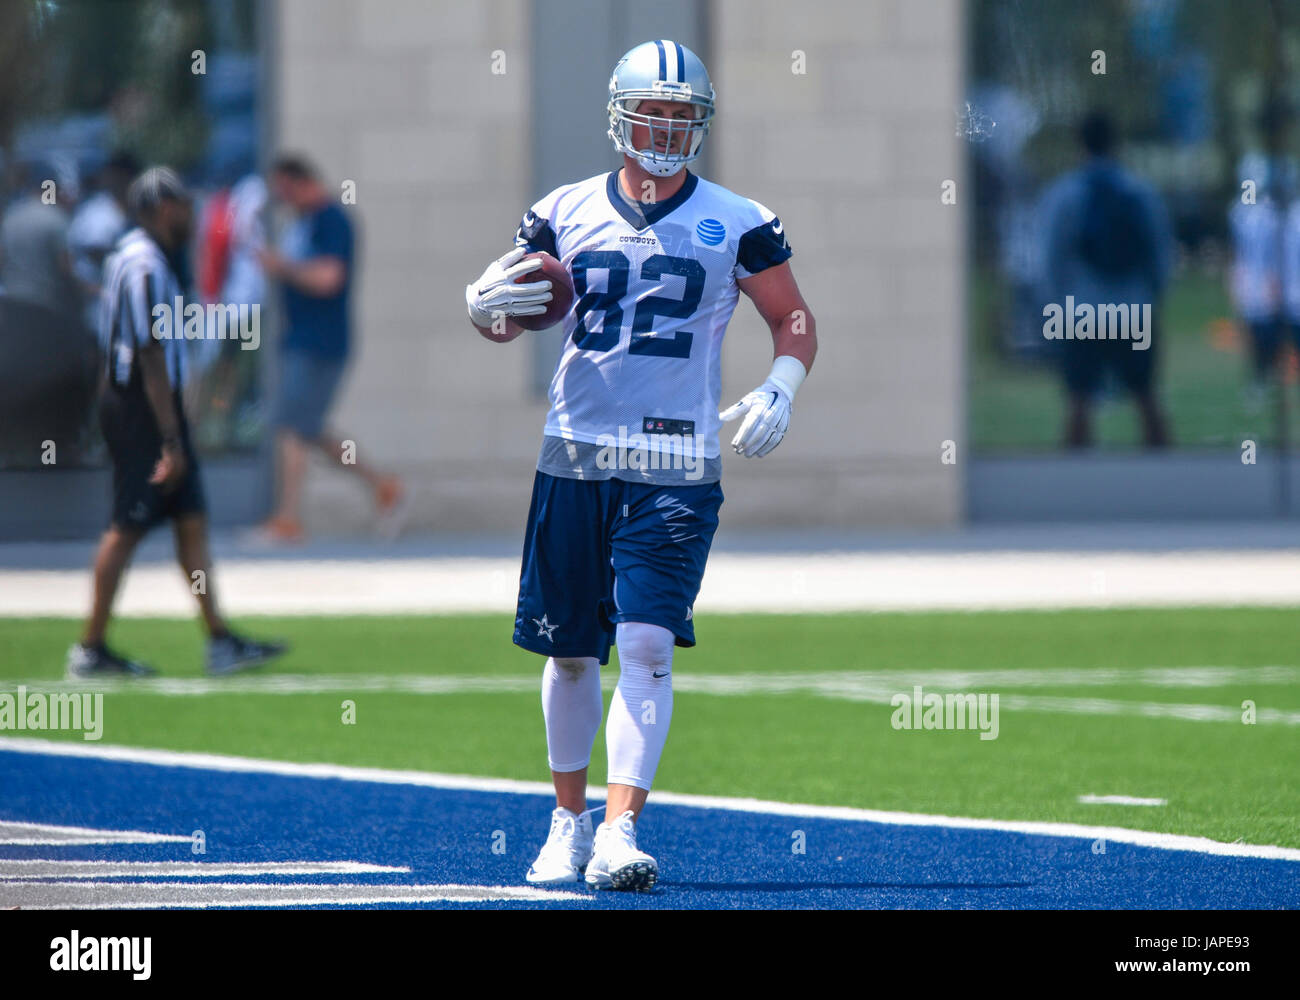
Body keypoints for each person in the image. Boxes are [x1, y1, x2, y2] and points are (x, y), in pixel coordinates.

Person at [465, 40, 817, 890]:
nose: (665, 128)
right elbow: (509, 317)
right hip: (575, 455)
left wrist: (781, 383)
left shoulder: (739, 219)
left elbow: (794, 319)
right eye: (652, 112)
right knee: (572, 654)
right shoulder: (562, 209)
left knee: (649, 644)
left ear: (700, 122)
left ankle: (621, 830)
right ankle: (566, 823)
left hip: (675, 460)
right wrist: (481, 307)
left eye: (679, 114)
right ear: (621, 116)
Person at [65, 167, 287, 678]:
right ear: (164, 207)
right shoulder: (144, 262)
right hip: (144, 412)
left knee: (191, 523)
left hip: (140, 407)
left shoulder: (137, 257)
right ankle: (90, 647)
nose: (191, 213)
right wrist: (169, 437)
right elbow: (147, 352)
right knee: (127, 524)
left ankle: (220, 639)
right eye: (183, 204)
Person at [254, 155, 404, 544]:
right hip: (300, 338)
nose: (280, 199)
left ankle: (288, 521)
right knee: (307, 429)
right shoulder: (302, 223)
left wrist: (280, 266)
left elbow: (328, 279)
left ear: (299, 182)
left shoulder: (331, 220)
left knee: (292, 427)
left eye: (283, 190)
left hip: (320, 342)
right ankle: (383, 487)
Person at [1041, 111, 1173, 448]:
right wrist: (1152, 295)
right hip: (1133, 307)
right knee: (1147, 400)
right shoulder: (1139, 191)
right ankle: (1165, 480)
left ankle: (1074, 487)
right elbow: (1160, 253)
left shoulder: (1064, 194)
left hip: (1081, 308)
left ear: (1079, 144)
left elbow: (1052, 258)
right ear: (1117, 144)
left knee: (1078, 403)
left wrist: (1057, 305)